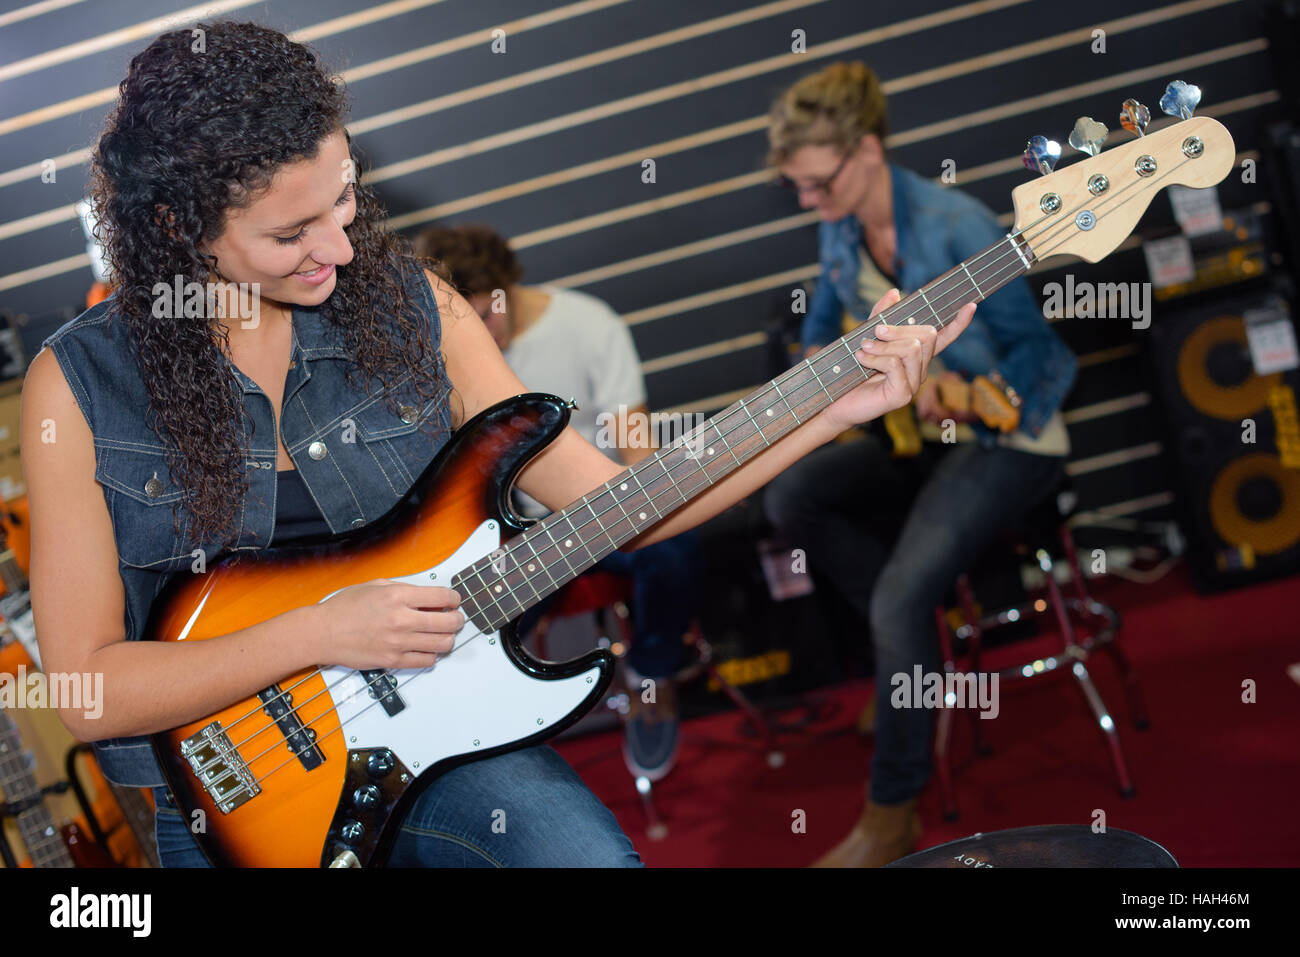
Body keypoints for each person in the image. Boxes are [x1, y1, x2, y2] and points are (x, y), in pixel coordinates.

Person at [21, 24, 971, 868]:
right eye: (291, 233)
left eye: (344, 200)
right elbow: (90, 690)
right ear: (180, 229)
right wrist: (318, 631)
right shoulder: (80, 384)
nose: (340, 249)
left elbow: (625, 510)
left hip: (451, 742)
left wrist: (835, 406)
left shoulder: (412, 304)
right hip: (234, 803)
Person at [762, 62, 1078, 867]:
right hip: (913, 435)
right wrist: (805, 388)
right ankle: (906, 648)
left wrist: (971, 396)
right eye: (799, 187)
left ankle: (892, 811)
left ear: (867, 149)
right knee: (792, 498)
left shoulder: (958, 224)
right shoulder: (840, 228)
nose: (808, 201)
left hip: (1009, 439)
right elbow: (824, 327)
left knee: (905, 589)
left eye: (817, 183)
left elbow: (1042, 359)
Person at [414, 224, 699, 784]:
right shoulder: (440, 347)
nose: (485, 338)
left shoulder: (587, 324)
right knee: (460, 625)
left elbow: (636, 450)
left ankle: (652, 678)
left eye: (487, 318)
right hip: (515, 535)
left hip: (601, 512)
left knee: (673, 542)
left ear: (507, 288)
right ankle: (478, 754)